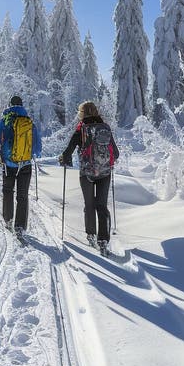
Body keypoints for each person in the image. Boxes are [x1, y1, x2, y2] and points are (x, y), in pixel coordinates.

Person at [59, 100, 119, 255]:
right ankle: (103, 240)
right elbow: (116, 153)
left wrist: (64, 159)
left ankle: (91, 235)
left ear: (82, 113)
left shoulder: (81, 129)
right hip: (105, 173)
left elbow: (68, 151)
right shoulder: (105, 128)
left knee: (89, 204)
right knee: (102, 206)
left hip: (87, 173)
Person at [0, 94, 42, 238]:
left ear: (10, 105)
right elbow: (38, 146)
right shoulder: (29, 121)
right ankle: (20, 227)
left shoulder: (4, 121)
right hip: (25, 164)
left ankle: (8, 220)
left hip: (8, 164)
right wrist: (34, 154)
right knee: (22, 196)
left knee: (8, 191)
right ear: (22, 105)